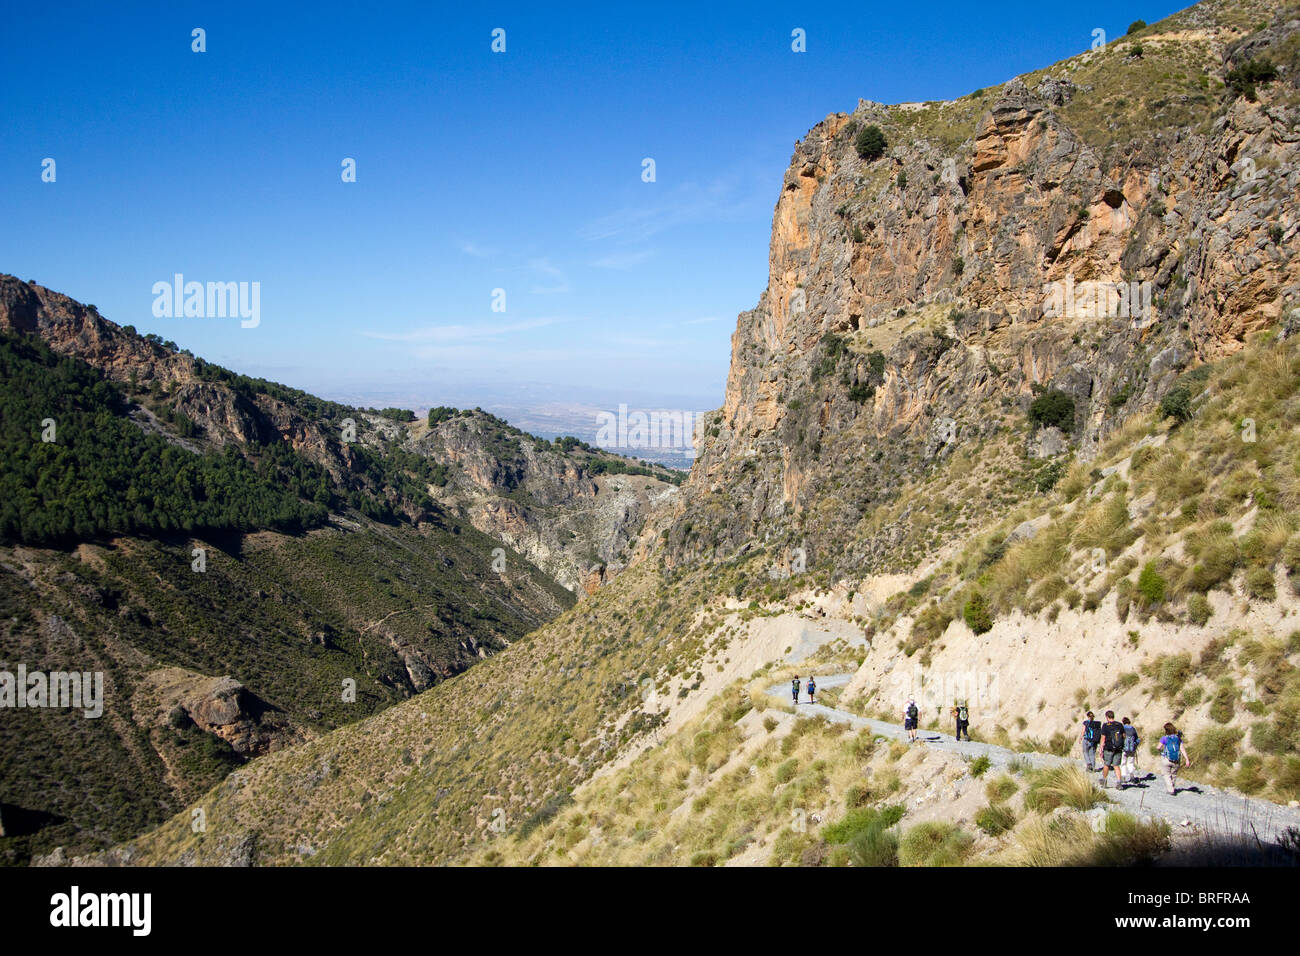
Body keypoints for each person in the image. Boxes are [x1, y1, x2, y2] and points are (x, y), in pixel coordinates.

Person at [1158, 722, 1192, 795]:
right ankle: (1172, 788)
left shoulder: (1164, 738)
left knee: (1166, 774)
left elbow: (1158, 747)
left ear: (1166, 730)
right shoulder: (1178, 739)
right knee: (1174, 774)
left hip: (1166, 759)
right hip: (1176, 760)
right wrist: (1187, 759)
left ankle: (1170, 790)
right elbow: (1182, 749)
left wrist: (1161, 752)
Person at [1098, 710, 1126, 789]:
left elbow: (1103, 738)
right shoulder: (1119, 725)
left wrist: (1100, 749)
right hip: (1118, 748)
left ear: (1107, 717)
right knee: (1116, 766)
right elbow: (1124, 735)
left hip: (1108, 748)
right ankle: (1119, 783)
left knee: (1106, 765)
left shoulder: (1105, 725)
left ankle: (1104, 781)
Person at [1121, 717, 1140, 784]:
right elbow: (1137, 739)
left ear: (1123, 722)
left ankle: (1123, 777)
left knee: (1123, 763)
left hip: (1124, 749)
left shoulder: (1122, 728)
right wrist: (1135, 745)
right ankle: (1132, 776)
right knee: (1131, 763)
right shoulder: (1133, 729)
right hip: (1132, 749)